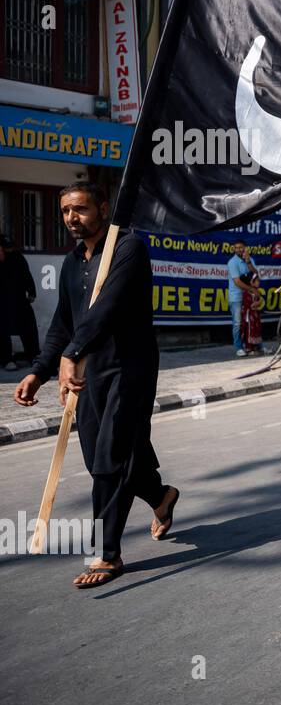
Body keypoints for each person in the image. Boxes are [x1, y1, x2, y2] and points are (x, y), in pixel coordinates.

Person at [12, 183, 178, 588]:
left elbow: (108, 308)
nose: (72, 217)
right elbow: (64, 323)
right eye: (66, 210)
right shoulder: (72, 263)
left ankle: (106, 554)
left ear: (103, 208)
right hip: (90, 372)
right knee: (104, 459)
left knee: (110, 459)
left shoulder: (128, 249)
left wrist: (72, 353)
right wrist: (40, 369)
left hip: (129, 368)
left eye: (81, 209)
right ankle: (160, 497)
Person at [1, 233, 40, 371]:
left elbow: (26, 274)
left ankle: (34, 356)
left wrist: (31, 291)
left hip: (19, 299)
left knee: (28, 327)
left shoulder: (17, 258)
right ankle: (7, 359)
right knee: (2, 330)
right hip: (2, 302)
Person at [227, 240, 261, 357]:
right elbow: (237, 282)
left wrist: (248, 261)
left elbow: (256, 274)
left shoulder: (250, 260)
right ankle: (239, 347)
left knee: (252, 322)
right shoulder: (232, 262)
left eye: (241, 247)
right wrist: (252, 289)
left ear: (245, 248)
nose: (239, 250)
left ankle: (254, 345)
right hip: (236, 297)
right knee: (238, 323)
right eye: (236, 248)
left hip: (249, 298)